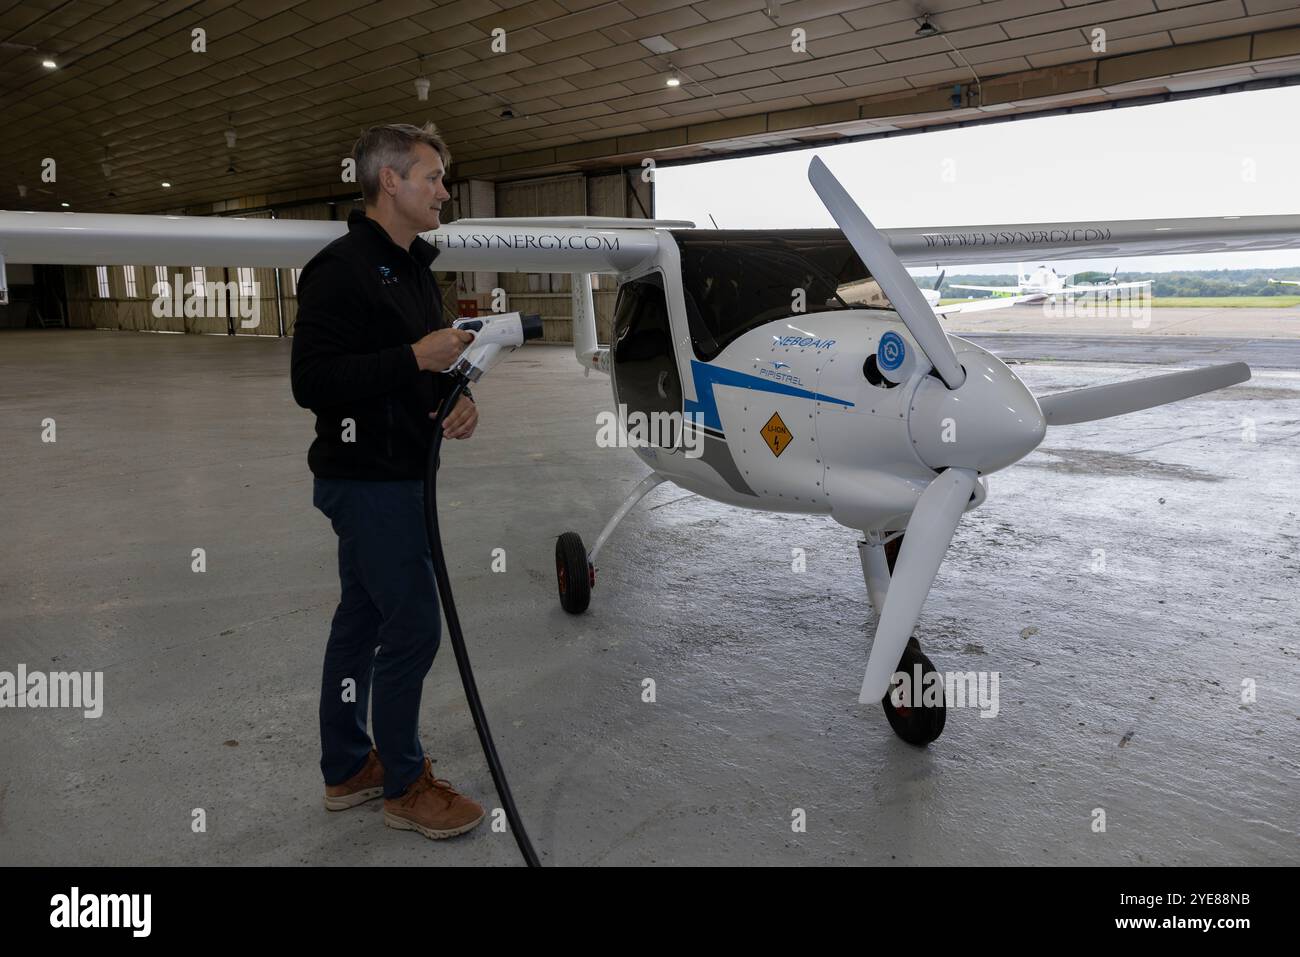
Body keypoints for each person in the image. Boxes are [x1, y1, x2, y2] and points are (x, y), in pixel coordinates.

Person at [290, 122, 485, 841]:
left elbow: (423, 371)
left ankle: (347, 765)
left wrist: (454, 401)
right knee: (412, 628)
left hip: (401, 470)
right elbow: (312, 382)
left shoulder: (412, 269)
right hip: (366, 479)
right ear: (389, 181)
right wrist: (413, 356)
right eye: (432, 176)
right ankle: (404, 783)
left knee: (363, 618)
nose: (443, 189)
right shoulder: (338, 269)